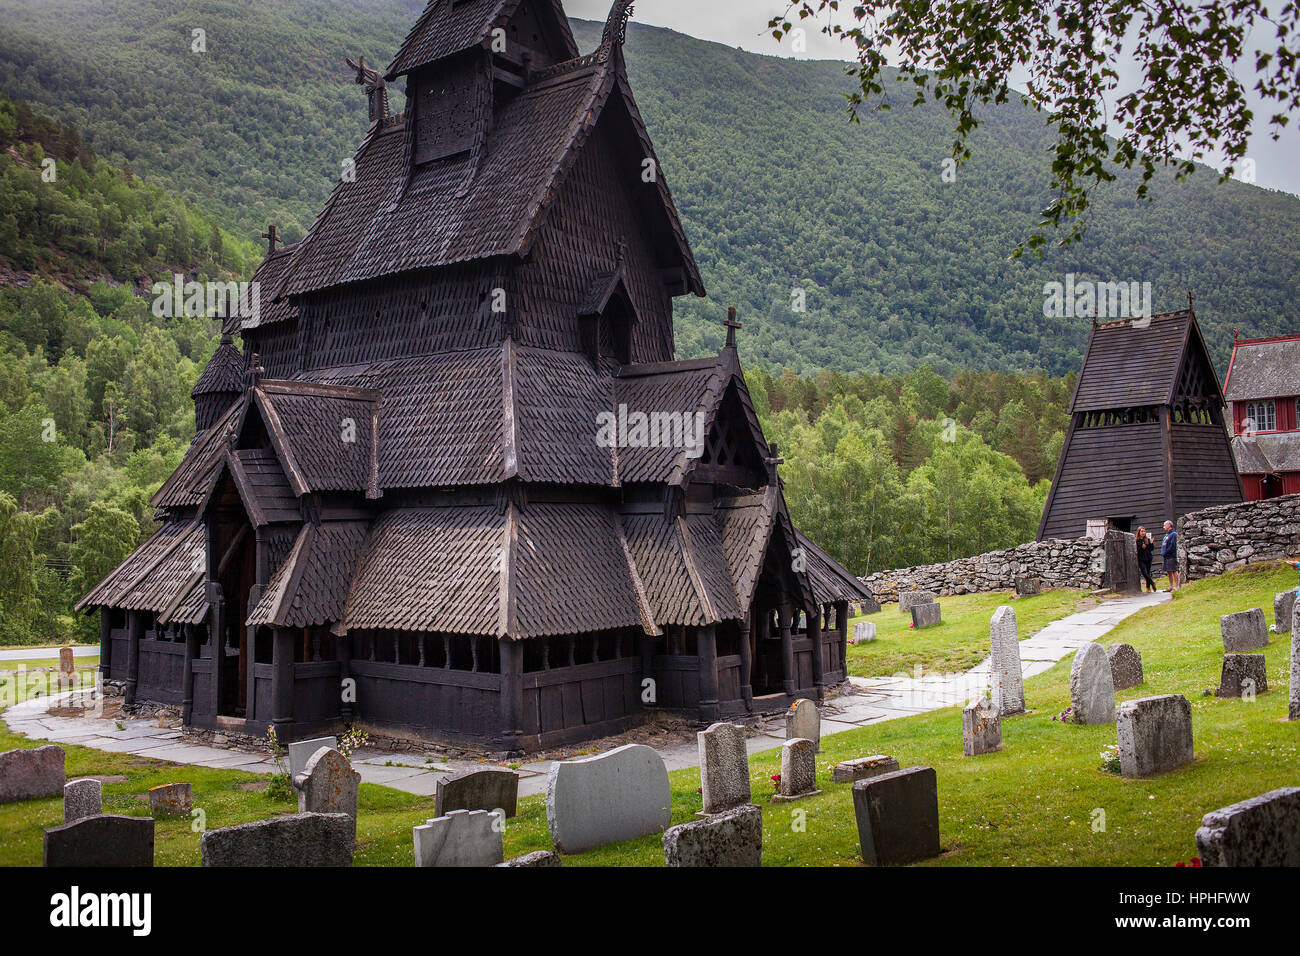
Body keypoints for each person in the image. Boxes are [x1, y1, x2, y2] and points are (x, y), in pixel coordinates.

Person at [1135, 526, 1157, 592]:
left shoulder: (1147, 539)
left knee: (1148, 572)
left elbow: (1151, 549)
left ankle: (1148, 587)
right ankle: (1152, 583)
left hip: (1148, 558)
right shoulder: (1136, 540)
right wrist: (1142, 548)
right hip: (1141, 558)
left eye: (1144, 531)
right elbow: (1137, 550)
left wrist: (1151, 543)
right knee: (1144, 573)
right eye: (1141, 531)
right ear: (1138, 532)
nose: (1143, 533)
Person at [1161, 520, 1180, 591]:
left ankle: (1177, 586)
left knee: (1174, 570)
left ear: (1169, 525)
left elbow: (1173, 545)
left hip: (1171, 555)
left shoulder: (1173, 534)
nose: (1163, 527)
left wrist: (1167, 551)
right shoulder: (1167, 535)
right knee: (1169, 571)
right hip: (1166, 556)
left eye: (1164, 525)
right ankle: (1171, 586)